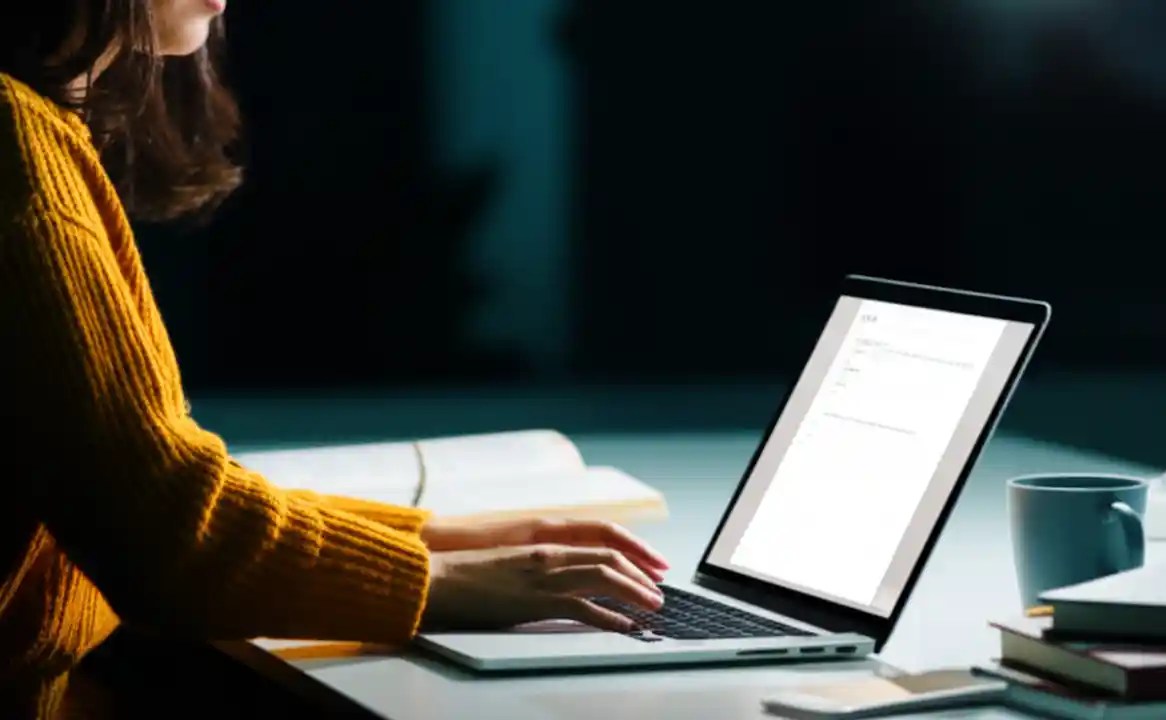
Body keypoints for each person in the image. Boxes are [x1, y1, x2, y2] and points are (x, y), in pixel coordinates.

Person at [0, 1, 668, 716]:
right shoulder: (18, 156)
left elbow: (129, 487)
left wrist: (433, 535)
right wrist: (437, 581)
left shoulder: (36, 130)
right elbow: (167, 538)